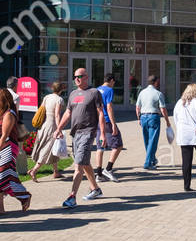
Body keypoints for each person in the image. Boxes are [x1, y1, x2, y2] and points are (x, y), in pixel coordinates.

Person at [56, 67, 106, 208]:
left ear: (86, 77)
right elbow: (67, 112)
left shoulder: (94, 93)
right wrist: (59, 128)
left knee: (78, 165)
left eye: (79, 76)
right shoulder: (73, 94)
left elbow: (100, 113)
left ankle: (72, 197)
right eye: (75, 77)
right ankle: (95, 189)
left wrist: (102, 133)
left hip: (88, 132)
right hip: (75, 133)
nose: (76, 79)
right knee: (84, 163)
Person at [0, 88, 32, 215]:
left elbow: (4, 135)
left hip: (7, 148)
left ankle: (24, 196)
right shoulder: (2, 113)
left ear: (3, 100)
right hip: (0, 147)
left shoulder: (9, 114)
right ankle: (0, 207)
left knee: (3, 176)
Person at [28, 81, 66, 183]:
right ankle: (34, 170)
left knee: (53, 148)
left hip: (44, 125)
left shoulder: (47, 97)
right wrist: (59, 129)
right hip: (52, 127)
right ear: (61, 89)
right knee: (47, 149)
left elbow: (42, 111)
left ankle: (56, 172)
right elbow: (57, 115)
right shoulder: (59, 100)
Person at [135, 73, 170, 170]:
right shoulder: (158, 93)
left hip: (143, 117)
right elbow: (163, 109)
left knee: (147, 140)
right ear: (156, 82)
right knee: (152, 141)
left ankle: (153, 159)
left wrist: (138, 118)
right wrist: (167, 121)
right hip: (153, 117)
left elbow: (137, 107)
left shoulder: (142, 92)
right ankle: (148, 163)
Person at [94, 73, 124, 182]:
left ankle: (98, 174)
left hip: (98, 121)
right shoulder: (109, 90)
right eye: (113, 82)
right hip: (106, 121)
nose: (113, 84)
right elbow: (109, 107)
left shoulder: (96, 90)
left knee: (100, 147)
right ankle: (108, 169)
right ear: (111, 80)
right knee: (118, 145)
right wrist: (113, 124)